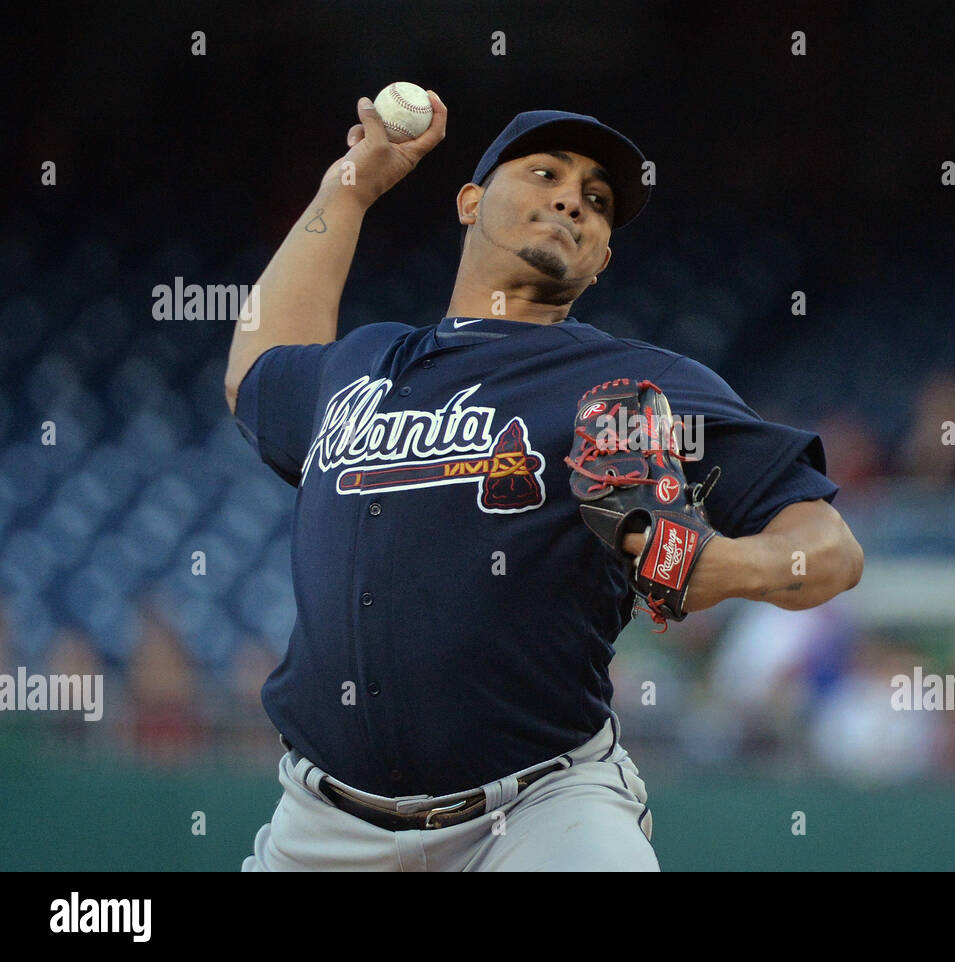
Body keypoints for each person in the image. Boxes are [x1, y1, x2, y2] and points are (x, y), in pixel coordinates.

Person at [225, 91, 863, 871]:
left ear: (600, 259)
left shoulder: (632, 384)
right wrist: (349, 188)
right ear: (470, 201)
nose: (572, 198)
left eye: (597, 201)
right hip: (325, 827)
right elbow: (254, 375)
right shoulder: (366, 362)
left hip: (541, 813)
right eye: (544, 173)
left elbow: (831, 550)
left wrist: (720, 566)